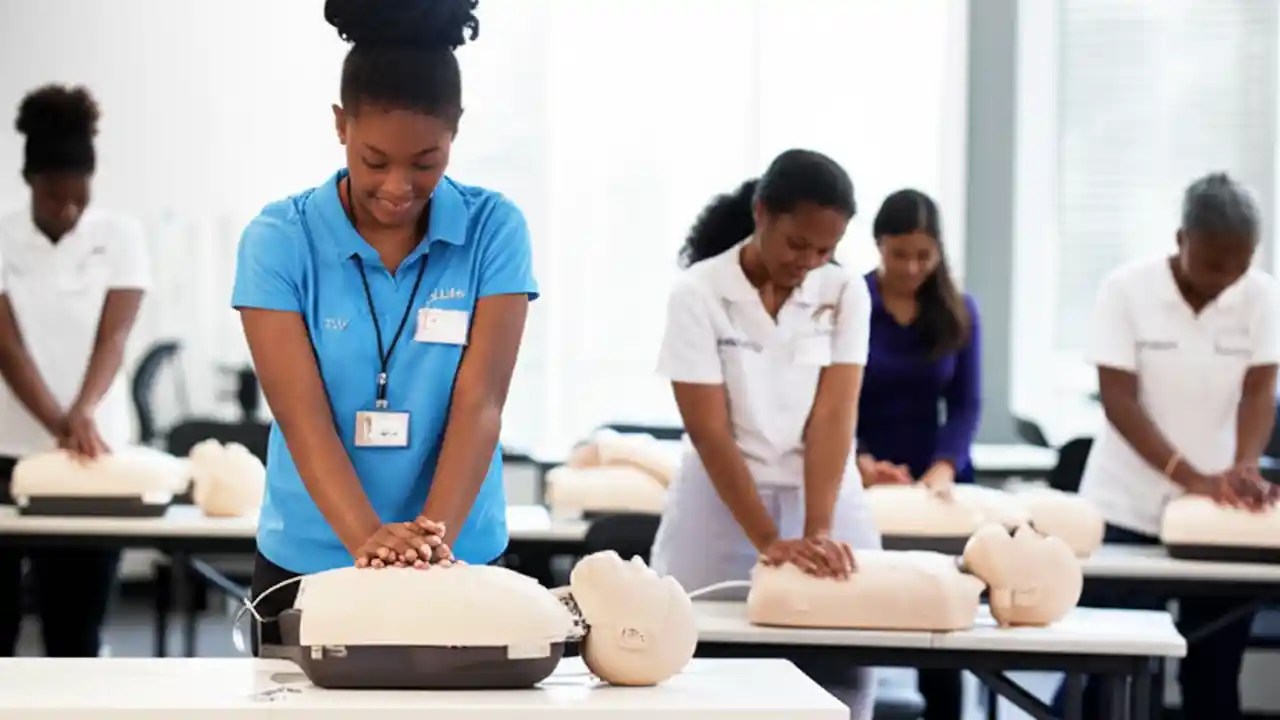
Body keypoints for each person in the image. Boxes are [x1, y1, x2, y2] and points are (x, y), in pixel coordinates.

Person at [231, 0, 537, 653]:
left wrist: (429, 546)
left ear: (456, 130)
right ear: (340, 126)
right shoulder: (278, 239)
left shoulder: (494, 230)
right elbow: (301, 415)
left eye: (426, 162)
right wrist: (368, 542)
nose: (398, 186)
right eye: (375, 160)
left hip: (458, 560)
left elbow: (480, 402)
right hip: (310, 561)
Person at [649, 148, 880, 719]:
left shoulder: (845, 292)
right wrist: (769, 540)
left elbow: (833, 417)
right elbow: (709, 430)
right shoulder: (699, 293)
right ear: (761, 214)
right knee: (685, 663)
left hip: (823, 492)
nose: (809, 261)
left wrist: (817, 531)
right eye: (797, 244)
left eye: (826, 249)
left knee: (841, 669)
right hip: (719, 499)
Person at [1052, 172, 1280, 719]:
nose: (1226, 279)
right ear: (1181, 241)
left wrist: (1243, 464)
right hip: (1124, 507)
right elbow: (1119, 400)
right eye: (1213, 264)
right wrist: (1191, 477)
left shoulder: (1261, 296)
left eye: (1240, 264)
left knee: (1214, 673)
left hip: (1215, 523)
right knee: (1106, 671)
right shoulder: (1125, 290)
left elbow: (1258, 389)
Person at [0, 84, 151, 656]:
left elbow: (114, 333)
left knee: (75, 627)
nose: (66, 209)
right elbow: (7, 346)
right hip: (8, 450)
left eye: (77, 198)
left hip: (92, 459)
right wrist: (56, 418)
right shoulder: (4, 235)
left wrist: (82, 413)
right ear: (30, 182)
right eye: (53, 197)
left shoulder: (120, 236)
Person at [855, 189, 980, 720]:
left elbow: (967, 403)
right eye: (899, 253)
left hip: (936, 481)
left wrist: (943, 468)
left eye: (923, 256)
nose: (911, 267)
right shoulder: (852, 301)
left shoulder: (957, 309)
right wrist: (857, 460)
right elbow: (826, 398)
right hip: (860, 474)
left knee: (944, 633)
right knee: (859, 612)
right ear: (879, 245)